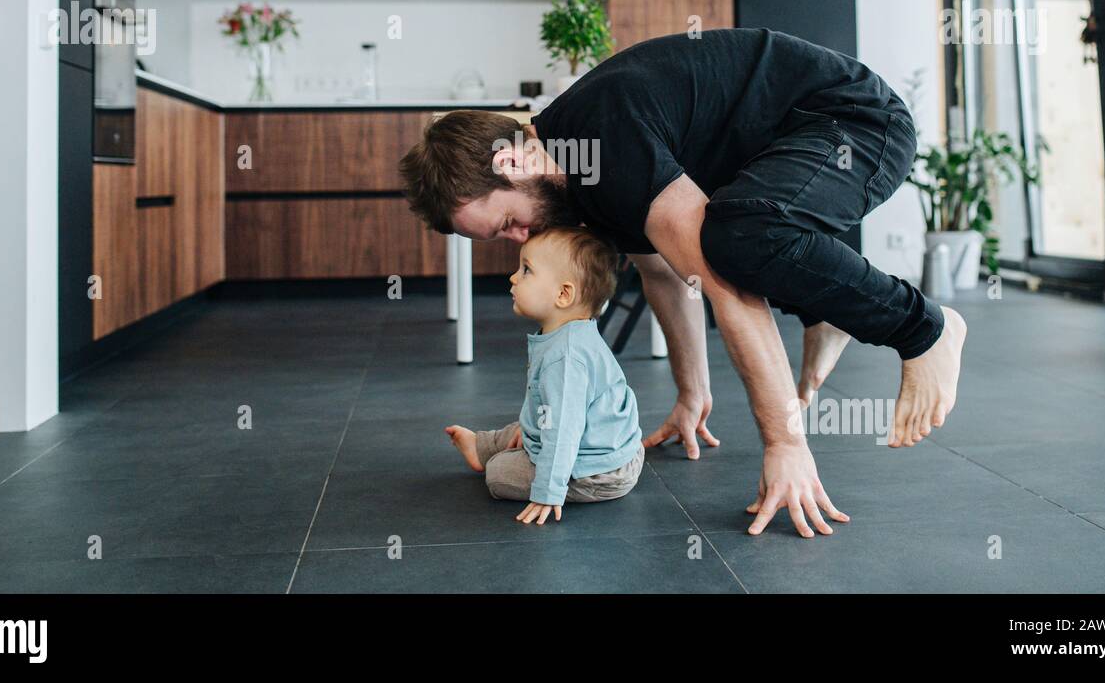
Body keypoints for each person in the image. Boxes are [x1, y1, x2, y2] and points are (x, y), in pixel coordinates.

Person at [405, 27, 967, 538]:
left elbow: (725, 288)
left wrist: (785, 444)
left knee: (739, 236)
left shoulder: (605, 141)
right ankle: (824, 309)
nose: (520, 238)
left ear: (513, 160)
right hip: (791, 152)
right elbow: (665, 276)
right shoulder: (581, 180)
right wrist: (692, 394)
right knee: (734, 230)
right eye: (500, 238)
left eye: (508, 222)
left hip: (860, 124)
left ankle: (924, 328)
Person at [445, 226, 644, 526]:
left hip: (599, 473)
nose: (513, 277)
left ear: (563, 294)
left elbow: (563, 431)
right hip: (611, 448)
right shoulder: (570, 333)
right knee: (526, 425)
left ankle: (497, 458)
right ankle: (481, 446)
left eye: (526, 270)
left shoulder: (564, 359)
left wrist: (547, 492)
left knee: (499, 473)